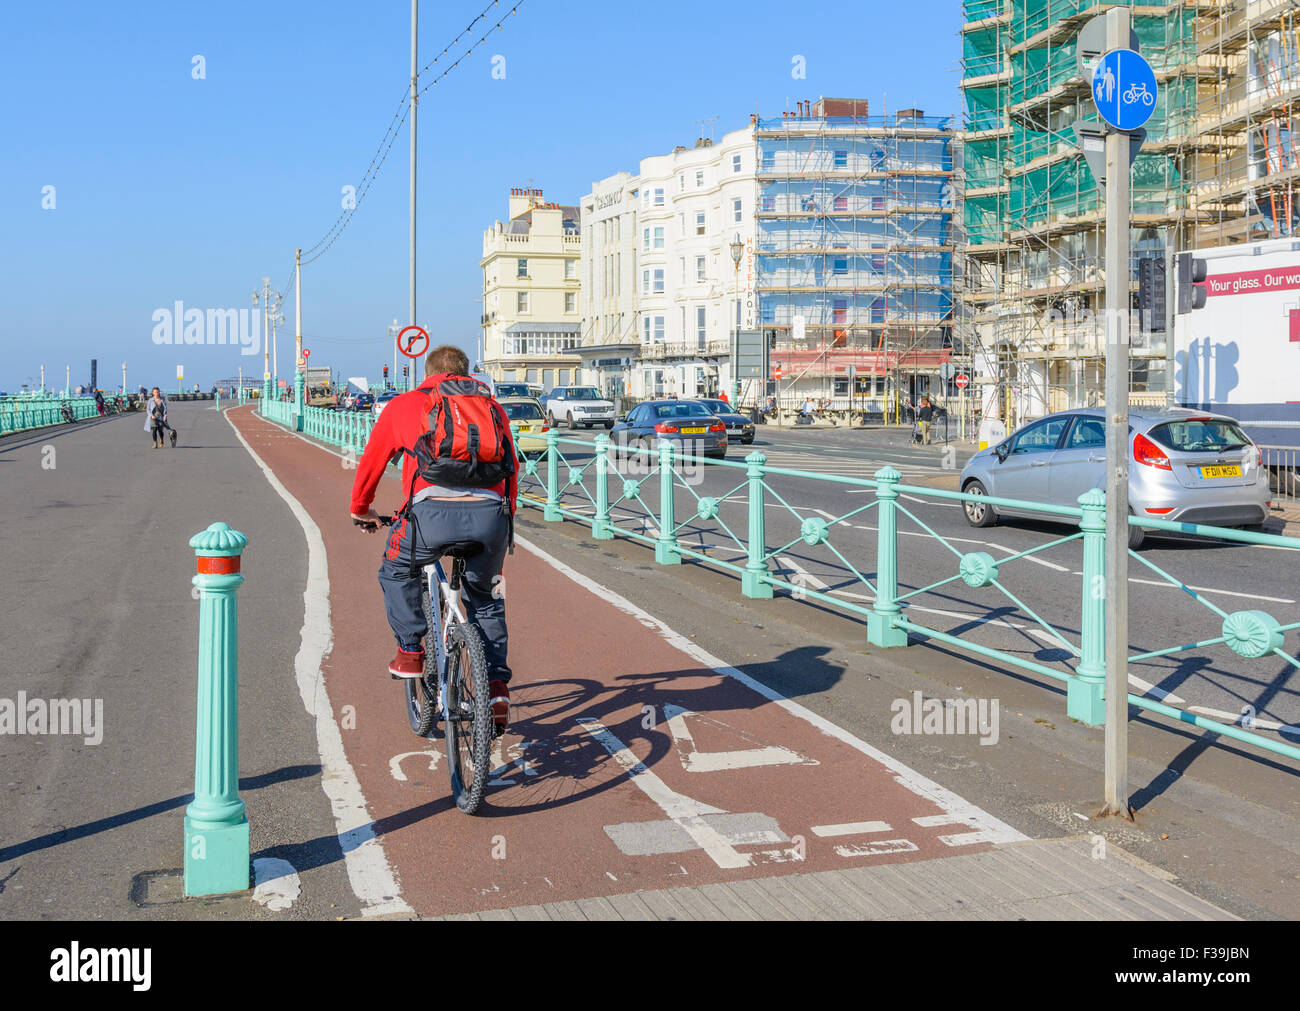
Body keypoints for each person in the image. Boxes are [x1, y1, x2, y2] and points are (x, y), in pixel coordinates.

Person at [350, 344, 517, 734]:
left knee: (396, 570)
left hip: (430, 519)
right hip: (491, 518)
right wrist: (506, 519)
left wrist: (361, 509)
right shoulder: (492, 406)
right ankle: (495, 691)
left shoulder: (405, 405)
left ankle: (410, 652)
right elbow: (511, 467)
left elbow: (372, 463)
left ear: (428, 373)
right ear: (466, 372)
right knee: (487, 599)